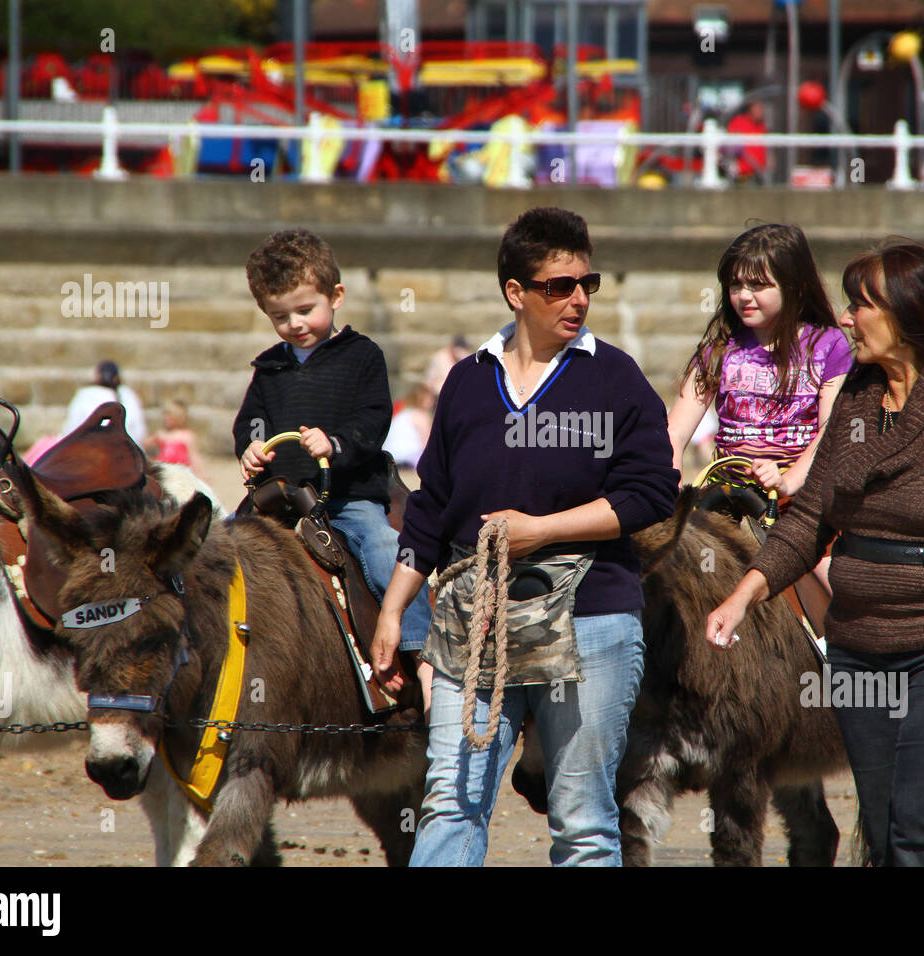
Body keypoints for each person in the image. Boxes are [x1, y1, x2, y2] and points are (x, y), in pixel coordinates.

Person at [704, 240, 924, 866]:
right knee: (886, 827)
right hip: (860, 648)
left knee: (918, 824)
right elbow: (811, 515)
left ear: (908, 314)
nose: (844, 318)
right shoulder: (861, 395)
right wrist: (744, 593)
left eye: (858, 305)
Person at [370, 207, 678, 866]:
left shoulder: (615, 378)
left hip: (593, 619)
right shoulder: (467, 381)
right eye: (557, 286)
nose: (577, 299)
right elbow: (431, 507)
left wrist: (542, 531)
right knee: (450, 804)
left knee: (584, 822)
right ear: (515, 291)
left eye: (586, 284)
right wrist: (395, 610)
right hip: (474, 620)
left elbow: (652, 493)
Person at [233, 228, 432, 687]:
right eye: (280, 317)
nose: (295, 324)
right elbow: (251, 422)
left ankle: (422, 653)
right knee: (222, 552)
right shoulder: (269, 367)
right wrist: (249, 447)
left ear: (335, 295)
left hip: (346, 498)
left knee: (385, 548)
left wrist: (336, 443)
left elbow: (373, 419)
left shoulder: (362, 356)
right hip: (278, 499)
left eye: (306, 310)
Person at [666, 223, 851, 632]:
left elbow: (831, 432)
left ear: (796, 287)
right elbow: (675, 433)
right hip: (726, 497)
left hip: (803, 504)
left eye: (759, 285)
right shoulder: (718, 347)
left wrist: (788, 480)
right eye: (735, 284)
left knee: (842, 590)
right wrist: (672, 483)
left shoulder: (829, 345)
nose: (743, 296)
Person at [63, 360, 146, 446]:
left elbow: (71, 429)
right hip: (126, 452)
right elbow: (139, 433)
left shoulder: (85, 395)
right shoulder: (129, 394)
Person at [382, 383, 435, 470]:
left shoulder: (402, 413)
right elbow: (428, 444)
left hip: (390, 456)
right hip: (409, 458)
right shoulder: (420, 416)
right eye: (431, 398)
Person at [145, 398, 204, 476]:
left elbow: (194, 456)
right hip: (163, 470)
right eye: (165, 415)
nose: (166, 418)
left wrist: (200, 473)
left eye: (170, 415)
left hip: (181, 472)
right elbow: (146, 444)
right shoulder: (162, 434)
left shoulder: (186, 435)